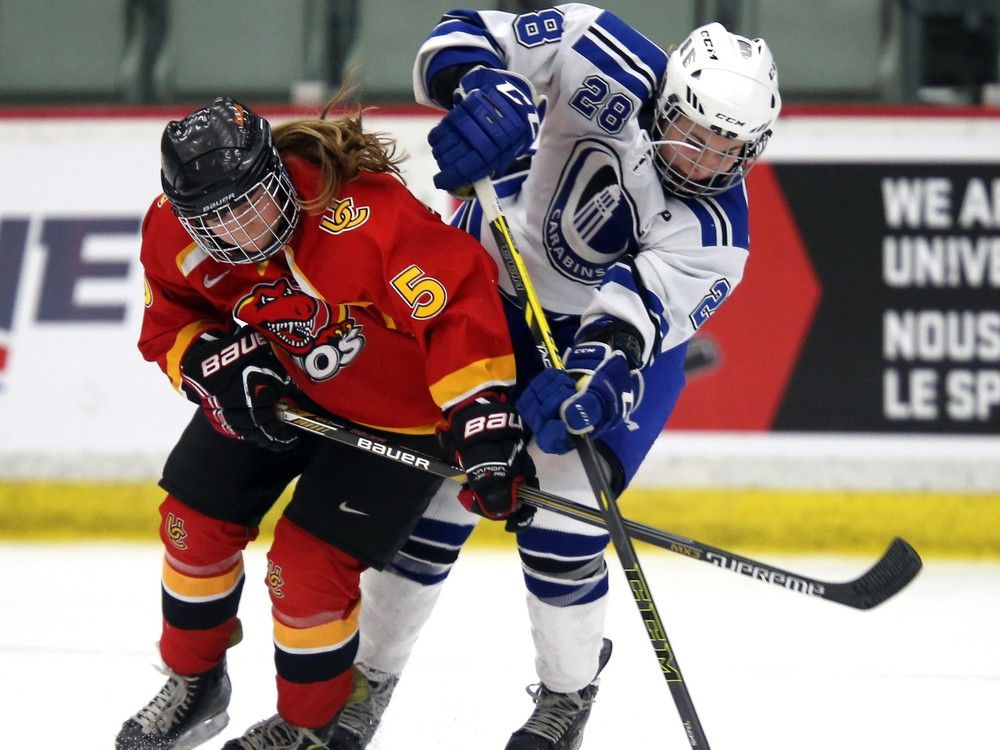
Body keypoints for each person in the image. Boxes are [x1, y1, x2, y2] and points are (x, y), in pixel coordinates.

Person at [331, 5, 782, 749]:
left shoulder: (719, 238)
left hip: (602, 343)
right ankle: (365, 682)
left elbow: (626, 324)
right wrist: (482, 86)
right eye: (693, 133)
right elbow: (459, 32)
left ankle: (567, 696)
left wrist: (591, 379)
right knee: (436, 500)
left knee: (564, 519)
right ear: (668, 97)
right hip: (486, 290)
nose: (701, 160)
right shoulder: (594, 41)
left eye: (725, 149)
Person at [115, 95, 535, 750]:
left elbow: (454, 300)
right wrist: (215, 366)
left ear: (276, 172)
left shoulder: (361, 218)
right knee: (189, 522)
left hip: (396, 420)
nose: (242, 230)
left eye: (251, 202)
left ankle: (310, 727)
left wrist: (479, 414)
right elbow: (169, 320)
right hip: (285, 390)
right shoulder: (173, 231)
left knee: (304, 571)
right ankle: (195, 685)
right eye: (217, 219)